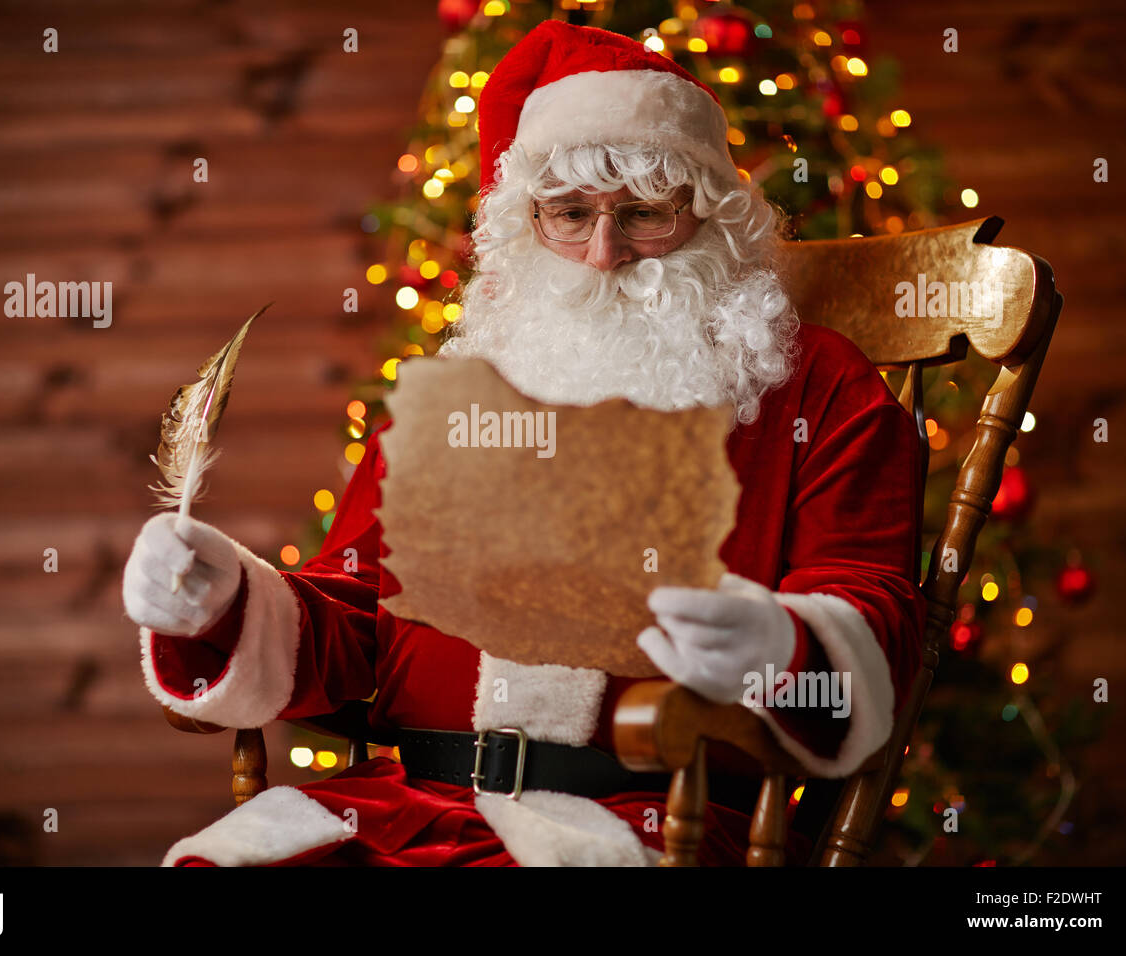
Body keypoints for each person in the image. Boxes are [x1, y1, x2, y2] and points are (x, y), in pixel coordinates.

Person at [122, 19, 925, 867]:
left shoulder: (814, 384)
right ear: (524, 224)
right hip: (407, 814)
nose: (605, 253)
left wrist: (778, 646)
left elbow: (870, 609)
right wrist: (222, 605)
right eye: (570, 215)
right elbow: (356, 612)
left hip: (652, 829)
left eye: (645, 214)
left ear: (710, 218)